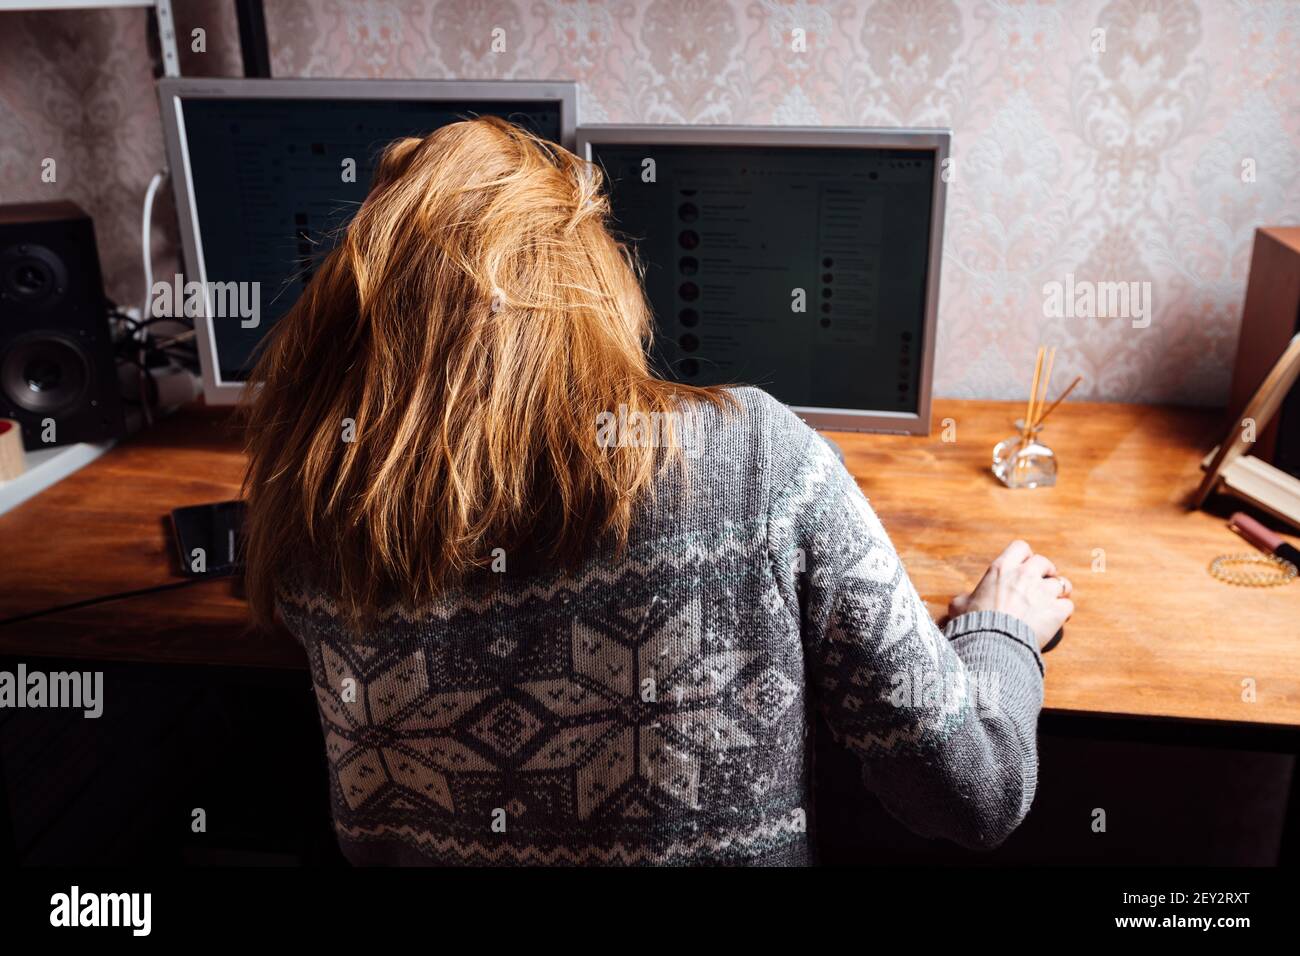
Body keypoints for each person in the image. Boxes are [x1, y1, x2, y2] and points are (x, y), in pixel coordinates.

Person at [240, 116, 1074, 865]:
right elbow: (978, 792)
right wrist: (1002, 630)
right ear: (590, 283)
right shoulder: (755, 456)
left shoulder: (306, 501)